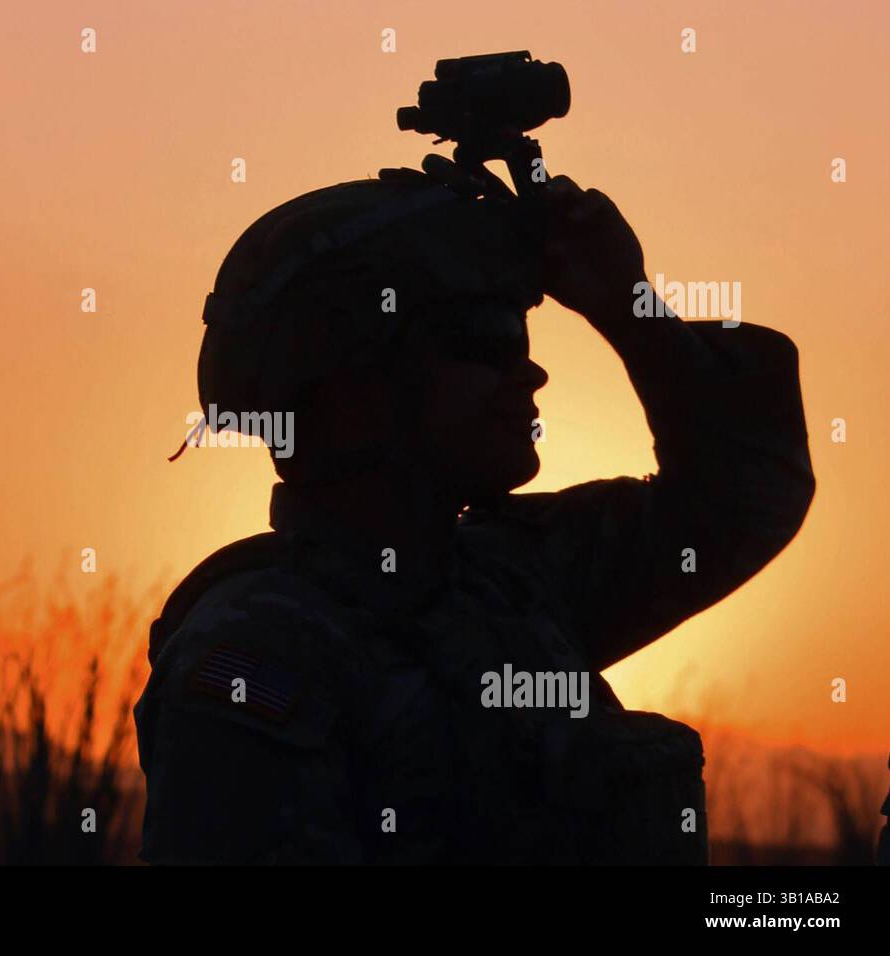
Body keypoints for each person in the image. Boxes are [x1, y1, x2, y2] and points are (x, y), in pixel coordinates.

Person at [134, 170, 816, 863]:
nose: (530, 374)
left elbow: (742, 498)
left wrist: (629, 308)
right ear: (351, 393)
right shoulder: (258, 654)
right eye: (486, 340)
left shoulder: (511, 584)